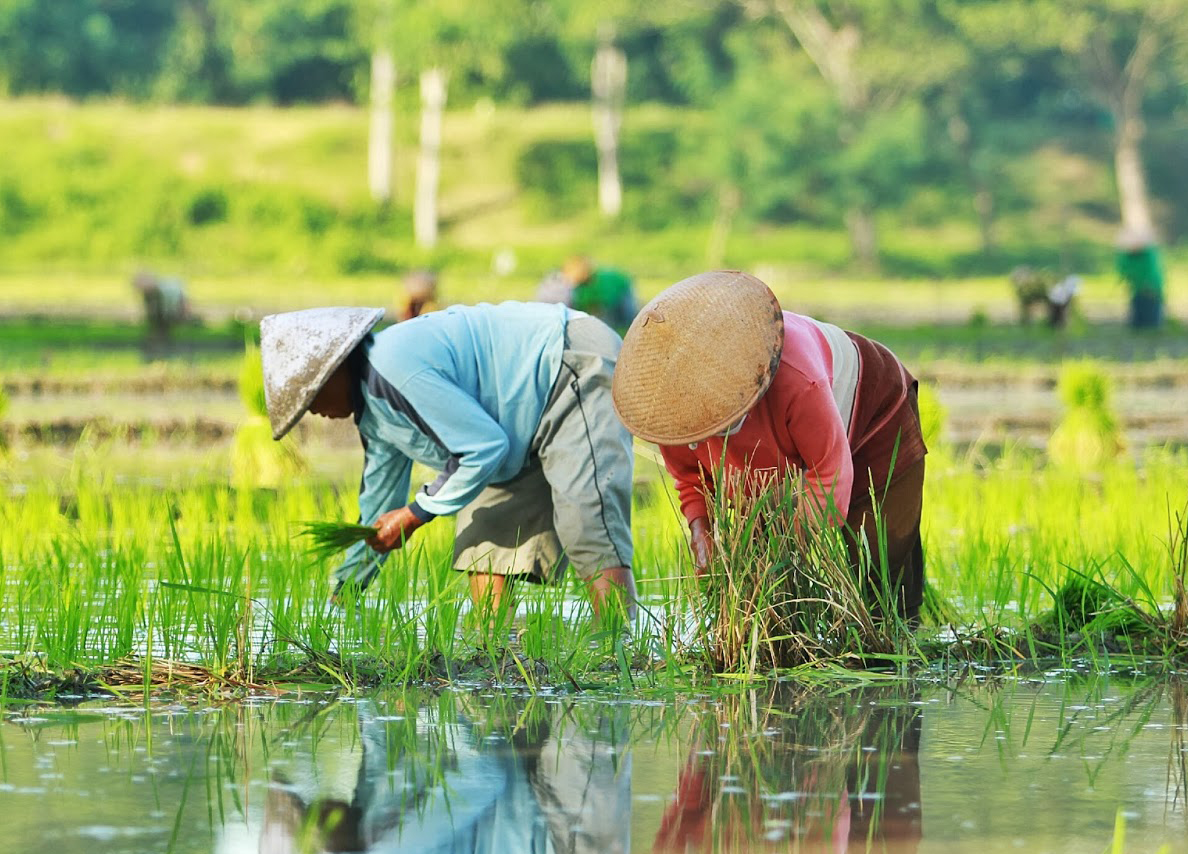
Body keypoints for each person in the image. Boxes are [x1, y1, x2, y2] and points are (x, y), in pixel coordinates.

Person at [259, 302, 637, 622]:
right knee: (482, 536)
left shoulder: (392, 370)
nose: (314, 411)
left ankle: (615, 652)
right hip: (514, 418)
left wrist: (414, 515)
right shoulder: (373, 412)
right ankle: (496, 657)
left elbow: (481, 448)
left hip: (567, 362)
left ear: (335, 370)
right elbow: (378, 506)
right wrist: (344, 596)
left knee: (588, 520)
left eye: (312, 398)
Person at [611, 270, 927, 620]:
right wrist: (702, 533)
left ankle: (893, 650)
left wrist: (781, 560)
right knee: (756, 551)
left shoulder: (796, 380)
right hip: (784, 450)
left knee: (879, 565)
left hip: (874, 411)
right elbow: (691, 479)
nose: (698, 437)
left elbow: (830, 476)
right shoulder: (669, 408)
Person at [538, 255, 637, 334]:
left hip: (621, 288)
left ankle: (629, 328)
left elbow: (606, 302)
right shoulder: (572, 285)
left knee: (626, 315)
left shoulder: (602, 283)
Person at [1115, 226, 1165, 329]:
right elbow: (1123, 269)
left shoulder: (1149, 254)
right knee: (1137, 319)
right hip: (1136, 289)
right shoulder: (1126, 256)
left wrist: (1148, 285)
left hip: (1152, 290)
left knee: (1151, 318)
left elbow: (1151, 272)